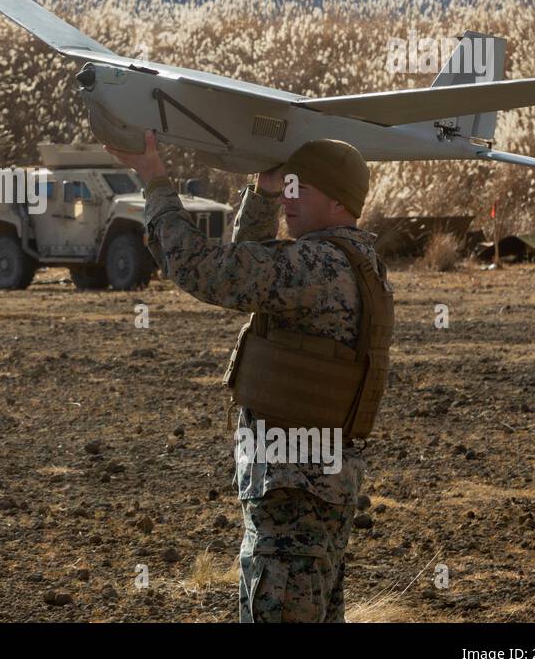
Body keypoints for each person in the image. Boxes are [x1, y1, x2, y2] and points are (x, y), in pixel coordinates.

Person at [108, 131, 394, 623]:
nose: (287, 198)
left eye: (297, 188)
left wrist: (155, 181)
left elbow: (209, 270)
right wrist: (261, 195)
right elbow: (257, 277)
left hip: (291, 498)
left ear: (338, 200)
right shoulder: (354, 261)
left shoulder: (315, 265)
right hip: (317, 493)